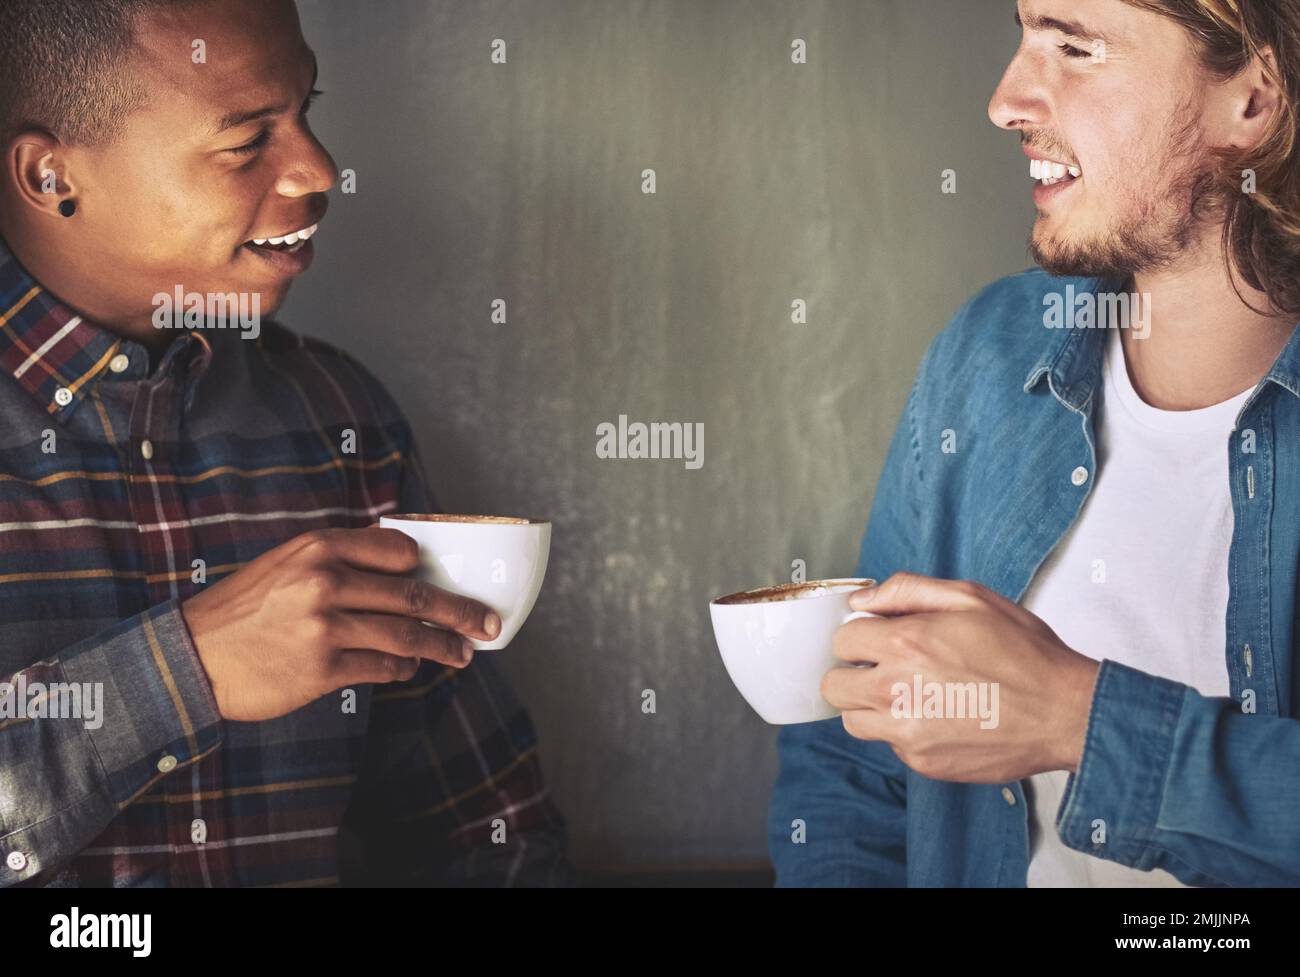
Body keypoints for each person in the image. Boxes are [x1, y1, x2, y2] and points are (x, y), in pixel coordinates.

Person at [0, 0, 570, 887]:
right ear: (50, 177)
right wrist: (182, 675)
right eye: (245, 141)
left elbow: (490, 830)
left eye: (307, 111)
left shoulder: (344, 422)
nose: (320, 169)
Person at [770, 0, 1300, 887]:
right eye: (1022, 35)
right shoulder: (988, 354)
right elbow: (855, 761)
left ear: (1252, 100)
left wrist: (1078, 717)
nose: (1006, 100)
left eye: (1075, 46)